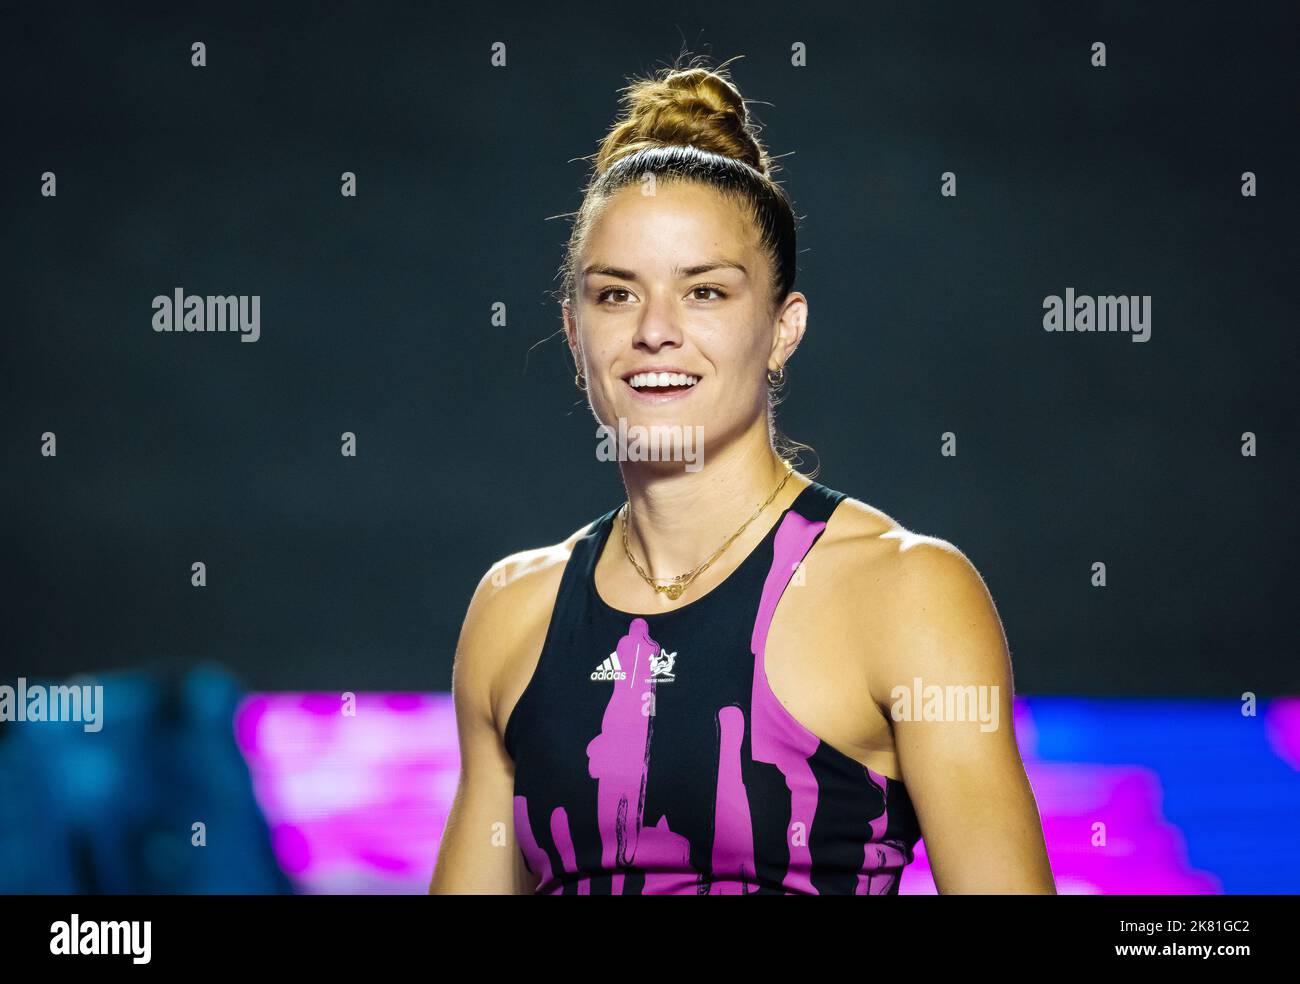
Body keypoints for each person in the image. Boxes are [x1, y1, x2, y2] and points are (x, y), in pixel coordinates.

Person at [430, 58, 1055, 894]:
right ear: (574, 332)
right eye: (616, 295)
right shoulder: (514, 613)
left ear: (783, 327)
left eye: (706, 293)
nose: (655, 331)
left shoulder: (906, 594)